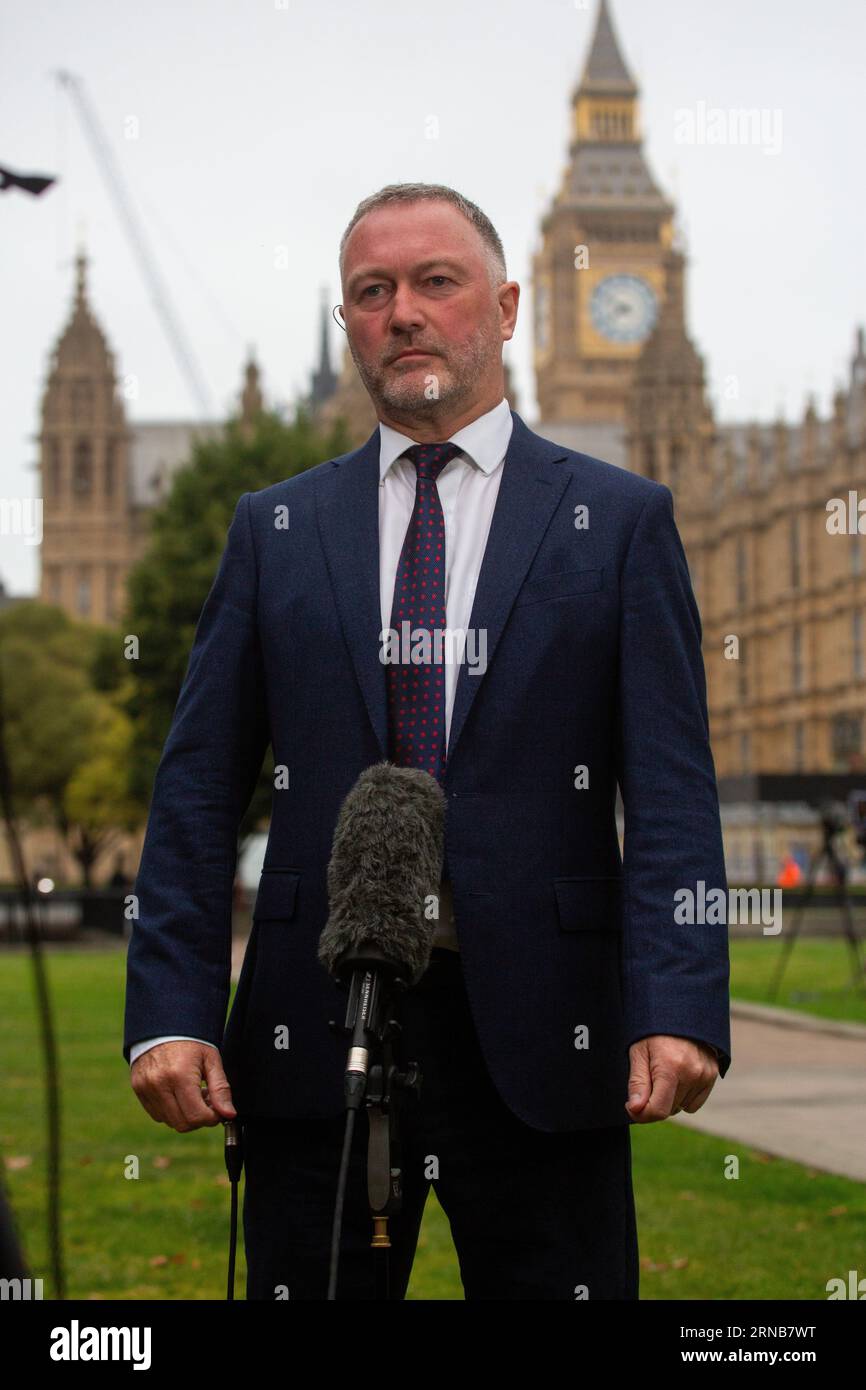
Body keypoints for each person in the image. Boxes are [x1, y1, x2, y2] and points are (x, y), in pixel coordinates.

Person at [124, 182, 731, 1300]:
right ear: (349, 323)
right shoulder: (274, 528)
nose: (401, 311)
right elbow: (198, 787)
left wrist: (680, 1000)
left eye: (434, 282)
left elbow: (672, 792)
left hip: (549, 1032)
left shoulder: (619, 521)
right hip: (315, 1028)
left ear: (505, 306)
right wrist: (167, 1010)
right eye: (371, 292)